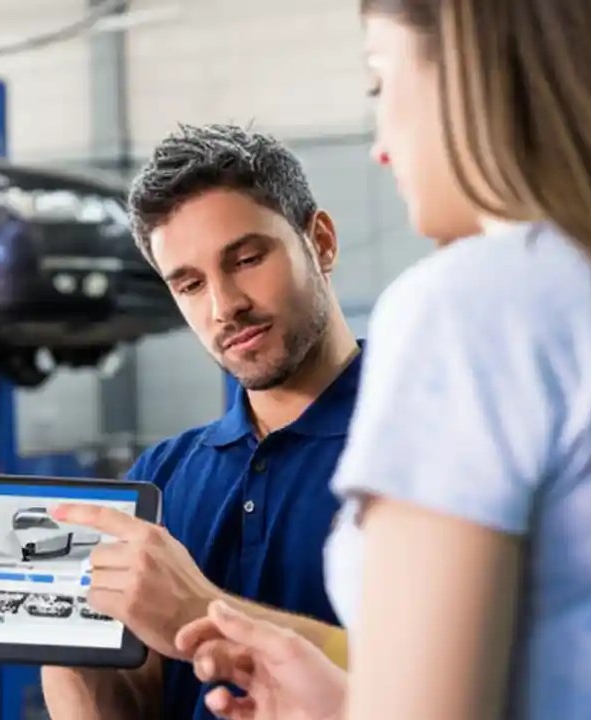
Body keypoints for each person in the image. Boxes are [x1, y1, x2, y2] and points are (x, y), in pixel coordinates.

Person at [175, 1, 591, 719]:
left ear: (471, 69)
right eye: (186, 283)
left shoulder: (476, 306)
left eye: (380, 81)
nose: (380, 145)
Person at [40, 124, 361, 720]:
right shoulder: (159, 480)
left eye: (245, 259)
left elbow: (459, 680)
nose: (224, 306)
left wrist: (202, 610)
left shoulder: (424, 438)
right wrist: (63, 642)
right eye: (189, 284)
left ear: (320, 242)